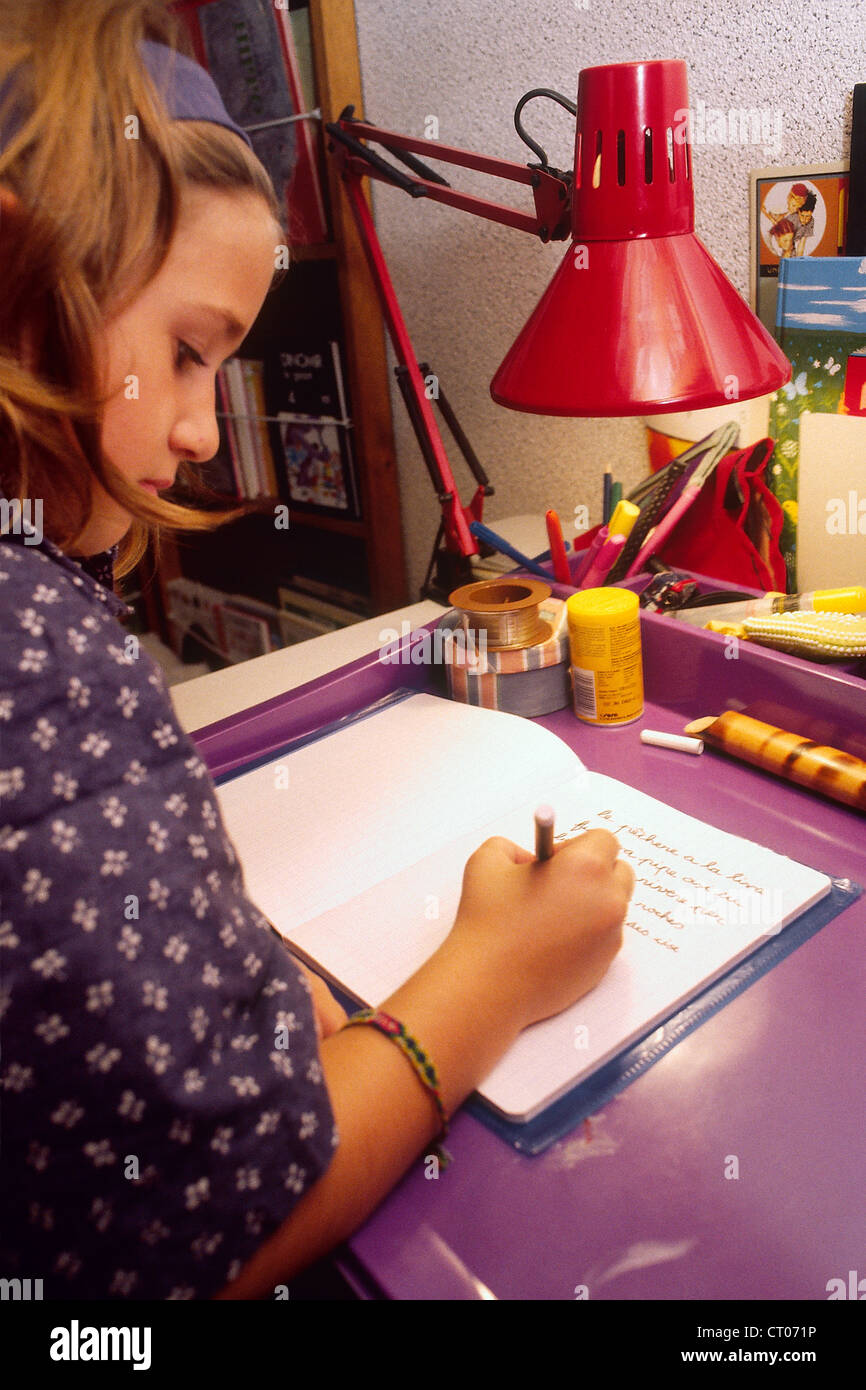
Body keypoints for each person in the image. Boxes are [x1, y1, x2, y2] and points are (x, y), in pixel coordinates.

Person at [0, 0, 633, 1301]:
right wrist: (495, 973)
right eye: (186, 355)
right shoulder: (32, 655)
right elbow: (215, 1227)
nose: (197, 435)